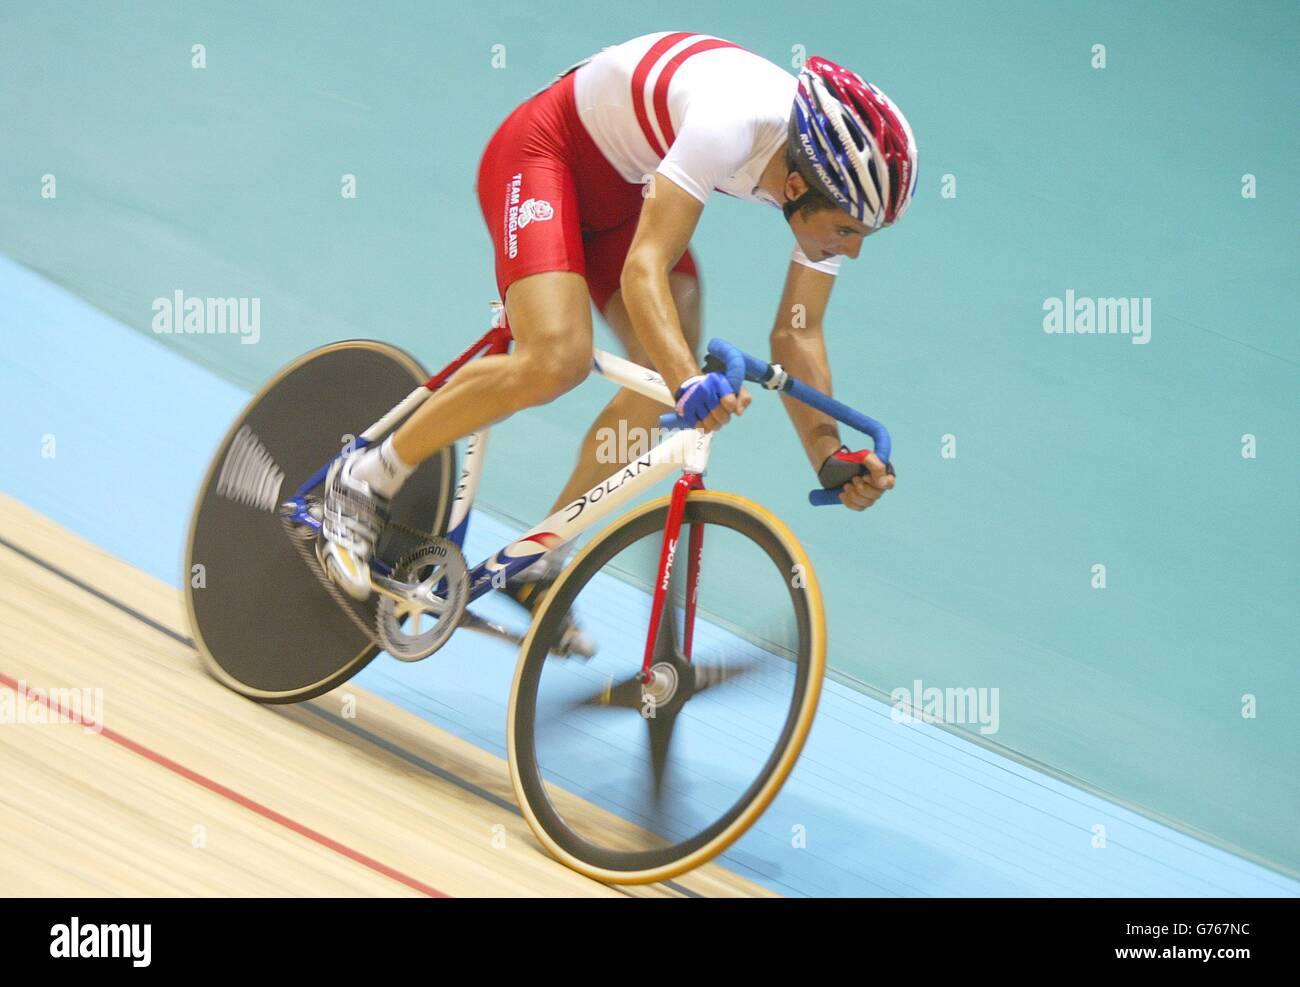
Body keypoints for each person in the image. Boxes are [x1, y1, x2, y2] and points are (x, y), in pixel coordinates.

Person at [317, 31, 916, 605]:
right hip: (544, 154)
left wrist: (829, 458)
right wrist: (688, 383)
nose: (853, 249)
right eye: (847, 231)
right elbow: (643, 273)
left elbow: (798, 331)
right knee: (558, 360)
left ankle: (542, 558)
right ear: (794, 183)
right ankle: (365, 477)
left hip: (625, 196)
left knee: (658, 373)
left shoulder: (822, 183)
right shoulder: (731, 122)